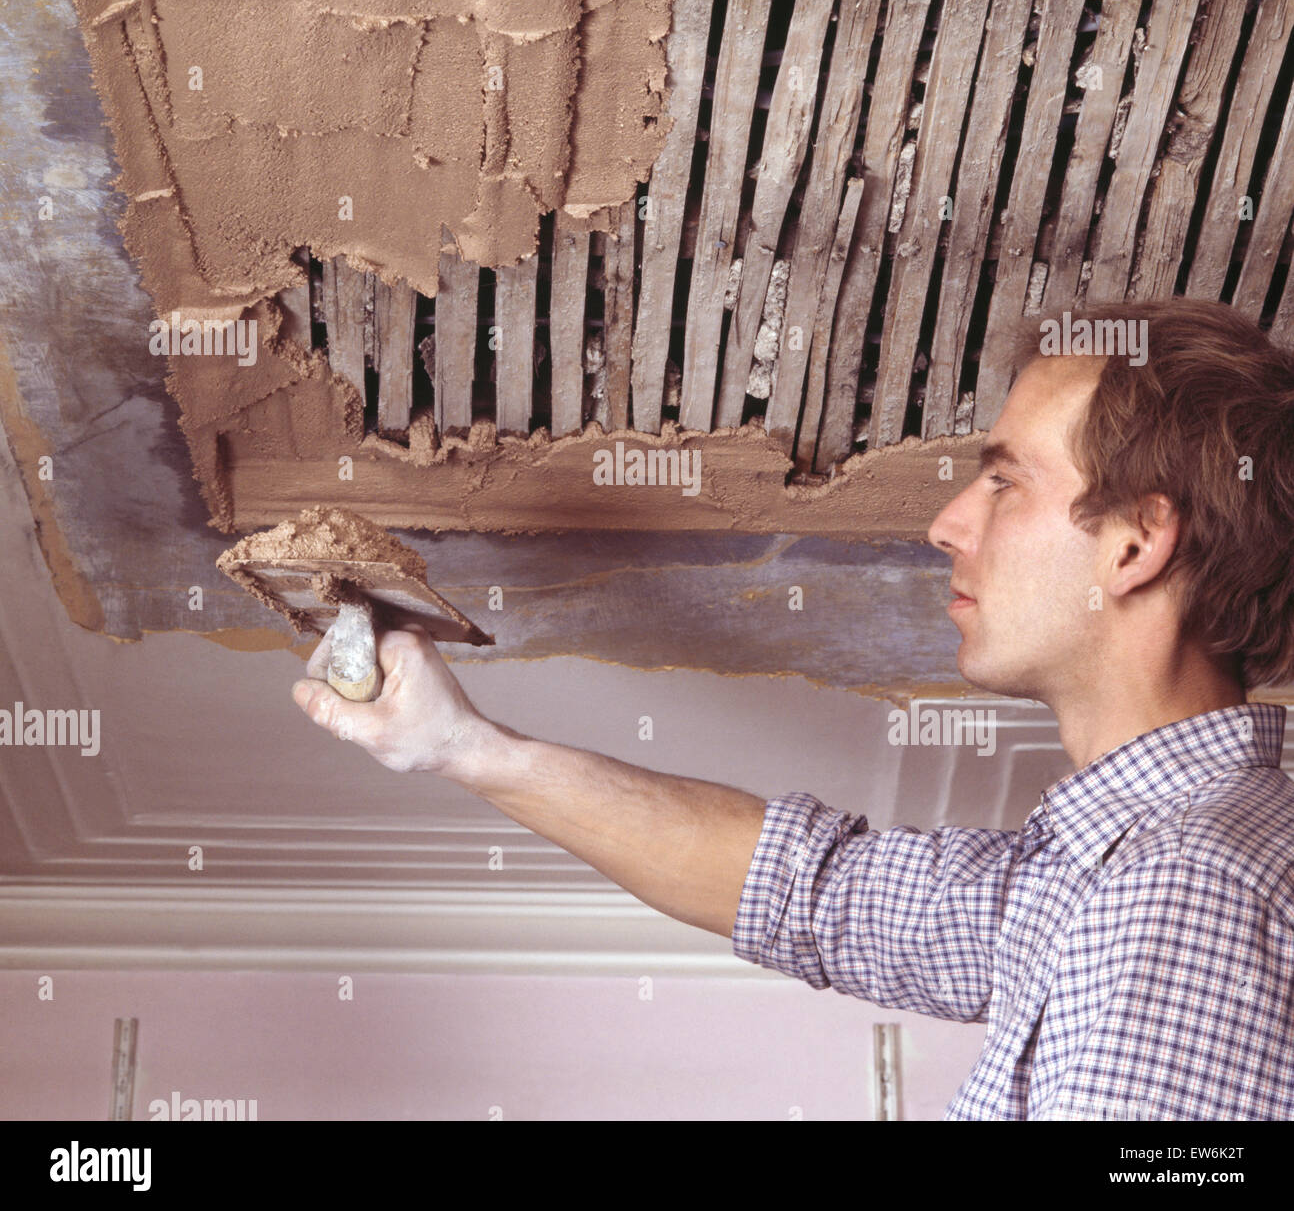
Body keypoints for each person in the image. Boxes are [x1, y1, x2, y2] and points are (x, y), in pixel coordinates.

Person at [292, 298, 1294, 1120]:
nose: (947, 522)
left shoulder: (1182, 893)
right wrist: (462, 745)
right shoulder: (1095, 876)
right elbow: (808, 892)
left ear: (1133, 544)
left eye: (1004, 481)